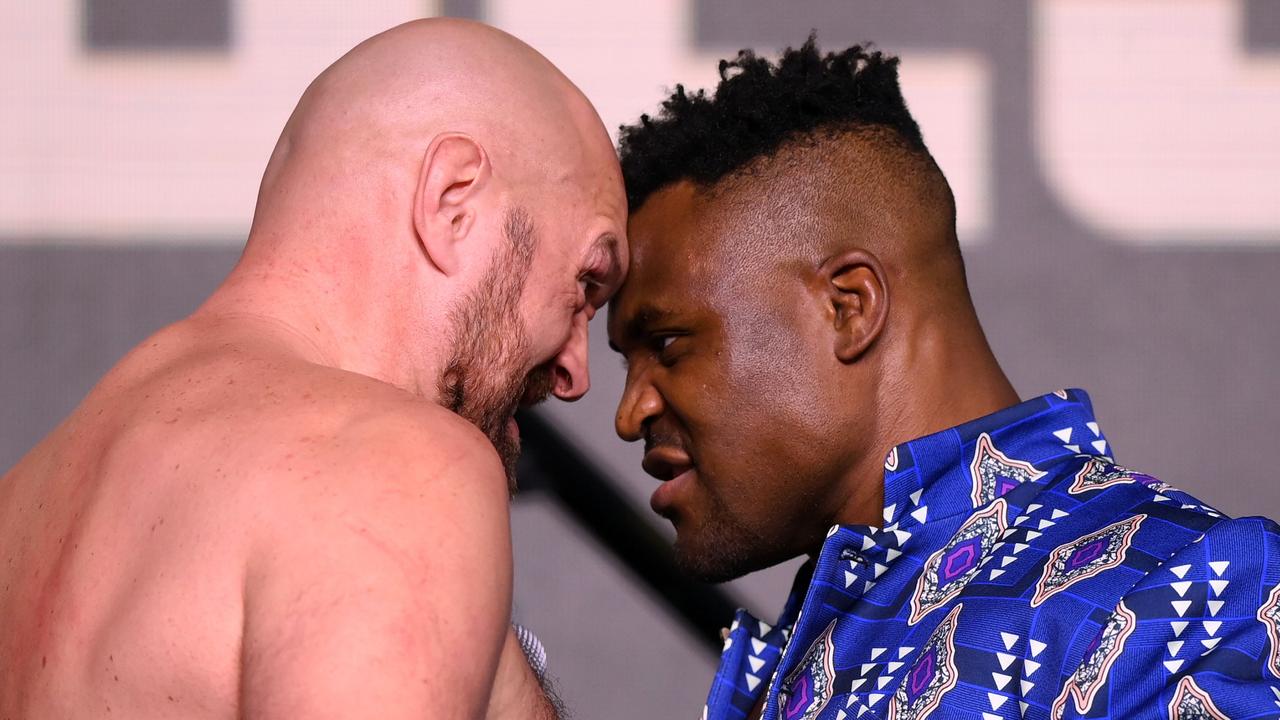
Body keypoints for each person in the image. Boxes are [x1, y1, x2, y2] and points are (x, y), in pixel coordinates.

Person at [608, 37, 1280, 720]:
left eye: (666, 344)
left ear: (849, 308)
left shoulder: (1187, 593)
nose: (628, 413)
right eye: (623, 361)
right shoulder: (815, 653)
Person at [0, 18, 625, 719]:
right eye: (587, 283)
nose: (577, 372)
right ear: (452, 201)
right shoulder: (393, 466)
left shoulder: (24, 504)